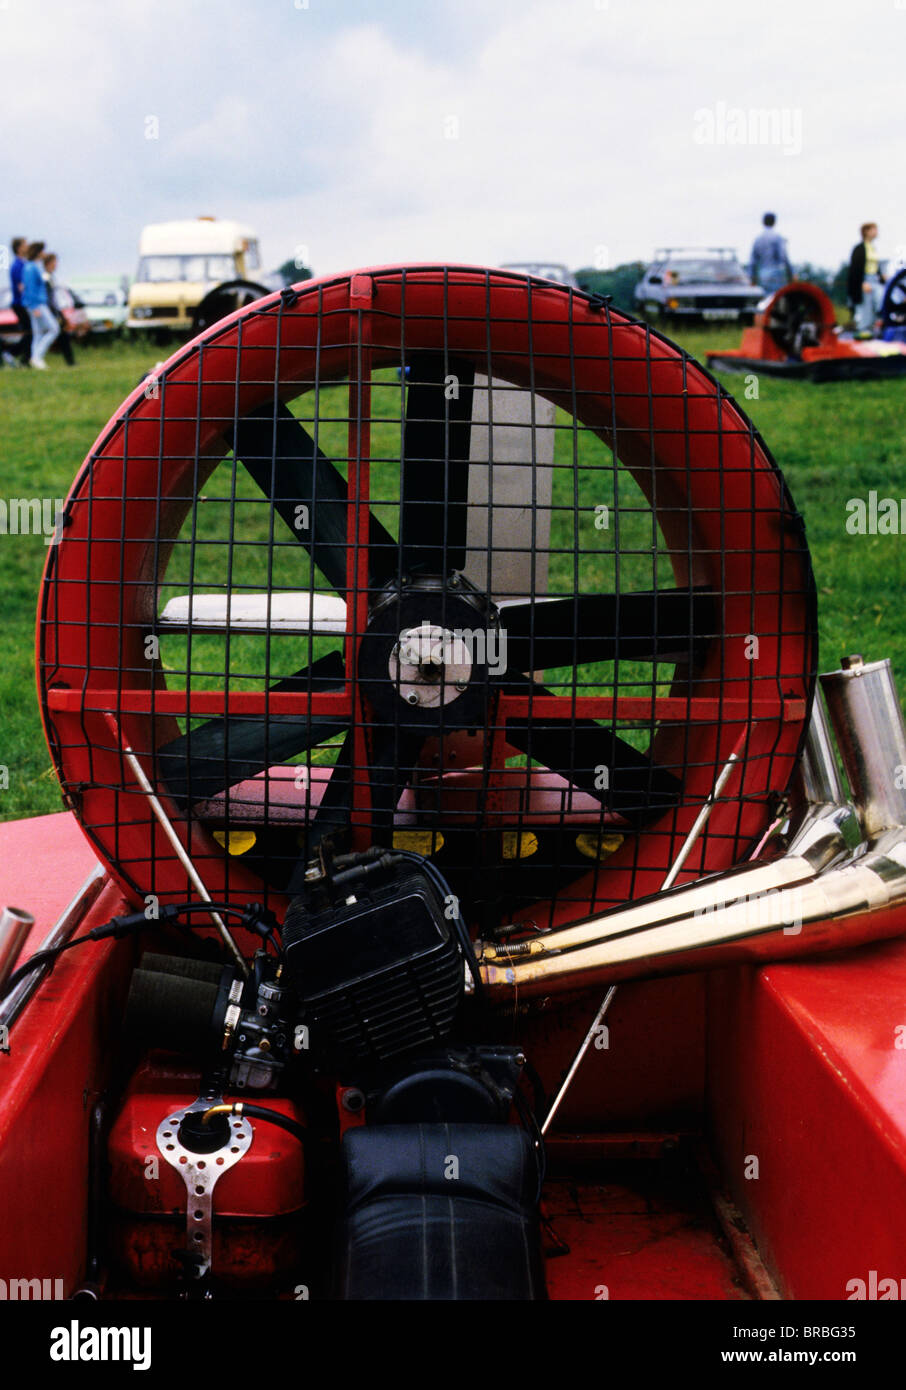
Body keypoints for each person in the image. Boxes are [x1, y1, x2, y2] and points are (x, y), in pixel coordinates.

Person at [21, 241, 59, 369]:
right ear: (38, 252)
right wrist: (33, 306)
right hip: (38, 304)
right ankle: (37, 356)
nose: (44, 254)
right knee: (54, 329)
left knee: (38, 333)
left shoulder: (30, 266)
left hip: (35, 304)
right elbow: (30, 288)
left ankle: (35, 359)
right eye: (42, 251)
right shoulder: (32, 268)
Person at [847, 222, 885, 336]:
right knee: (865, 306)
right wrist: (862, 283)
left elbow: (875, 266)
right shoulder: (859, 249)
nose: (876, 232)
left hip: (875, 280)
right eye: (874, 229)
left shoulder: (873, 248)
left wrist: (881, 276)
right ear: (866, 231)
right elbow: (856, 268)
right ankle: (863, 330)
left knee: (881, 299)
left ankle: (877, 325)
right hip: (864, 281)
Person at [42, 252, 75, 366]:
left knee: (62, 335)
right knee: (59, 333)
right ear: (48, 264)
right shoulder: (46, 278)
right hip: (51, 311)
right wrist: (56, 312)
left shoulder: (51, 277)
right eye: (54, 262)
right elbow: (49, 297)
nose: (56, 265)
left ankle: (70, 361)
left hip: (53, 310)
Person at [750, 213, 793, 294]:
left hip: (763, 274)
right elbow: (783, 256)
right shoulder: (778, 237)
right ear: (774, 222)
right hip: (776, 274)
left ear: (763, 222)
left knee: (766, 300)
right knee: (778, 300)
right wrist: (791, 274)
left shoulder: (758, 239)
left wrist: (752, 279)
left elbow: (753, 261)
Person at [8, 236, 32, 365]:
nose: (27, 247)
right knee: (29, 331)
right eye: (25, 244)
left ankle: (25, 359)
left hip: (24, 303)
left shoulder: (24, 264)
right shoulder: (17, 266)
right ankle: (12, 353)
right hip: (20, 304)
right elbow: (21, 287)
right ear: (19, 248)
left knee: (30, 331)